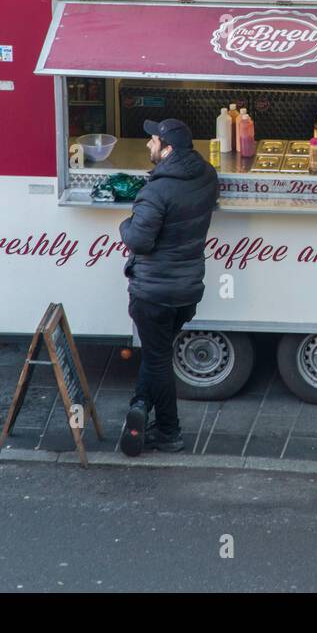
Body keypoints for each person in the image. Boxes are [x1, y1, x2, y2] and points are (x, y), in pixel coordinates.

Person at [117, 118, 219, 456]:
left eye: (153, 141)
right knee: (157, 352)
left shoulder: (156, 190)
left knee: (159, 360)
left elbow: (139, 240)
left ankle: (169, 432)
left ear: (168, 149)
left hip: (154, 292)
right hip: (188, 289)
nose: (148, 145)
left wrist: (125, 222)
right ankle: (141, 403)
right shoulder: (206, 175)